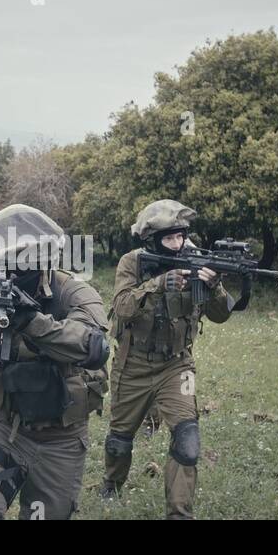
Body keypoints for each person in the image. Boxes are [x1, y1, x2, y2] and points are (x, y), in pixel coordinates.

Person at [0, 204, 110, 520]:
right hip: (5, 425)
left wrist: (33, 323)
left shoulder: (72, 290)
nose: (10, 271)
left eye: (22, 258)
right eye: (3, 260)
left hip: (61, 437)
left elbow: (94, 348)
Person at [101, 199, 235, 519]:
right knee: (120, 437)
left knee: (188, 438)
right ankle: (111, 483)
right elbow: (121, 306)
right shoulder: (132, 263)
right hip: (132, 364)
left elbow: (221, 315)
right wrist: (158, 284)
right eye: (169, 238)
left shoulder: (197, 259)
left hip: (177, 365)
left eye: (180, 236)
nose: (177, 244)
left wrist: (213, 286)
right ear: (152, 241)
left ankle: (179, 513)